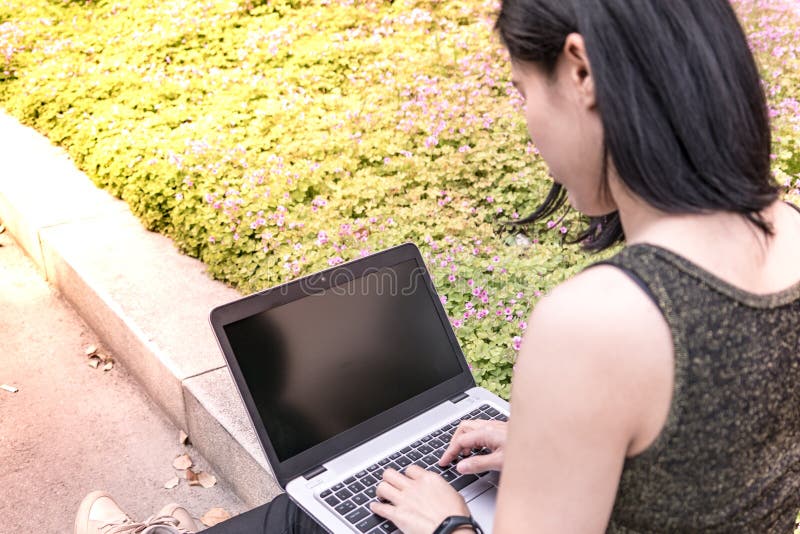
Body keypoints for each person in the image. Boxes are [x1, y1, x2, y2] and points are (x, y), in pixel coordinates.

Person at [76, 0, 800, 532]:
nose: (525, 128)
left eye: (520, 91)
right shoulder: (790, 230)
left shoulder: (605, 322)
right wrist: (563, 447)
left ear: (580, 71)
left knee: (339, 514)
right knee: (304, 514)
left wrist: (446, 526)